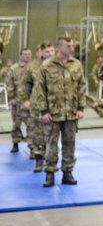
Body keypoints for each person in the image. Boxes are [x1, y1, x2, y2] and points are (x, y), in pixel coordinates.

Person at [31, 36, 86, 187]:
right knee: (51, 145)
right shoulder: (47, 66)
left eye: (72, 45)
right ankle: (50, 174)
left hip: (71, 113)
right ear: (60, 47)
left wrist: (81, 108)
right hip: (52, 114)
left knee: (70, 144)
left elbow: (81, 87)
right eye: (68, 46)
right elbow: (39, 90)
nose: (72, 48)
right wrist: (43, 111)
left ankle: (67, 173)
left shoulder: (76, 65)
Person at [28, 40, 55, 172]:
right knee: (38, 135)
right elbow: (26, 84)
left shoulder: (58, 65)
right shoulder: (34, 67)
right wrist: (25, 100)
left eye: (51, 51)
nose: (49, 54)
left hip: (54, 106)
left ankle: (51, 164)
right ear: (41, 53)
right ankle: (39, 161)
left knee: (52, 136)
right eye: (46, 51)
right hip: (37, 107)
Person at [6, 46, 34, 155]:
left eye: (29, 54)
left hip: (30, 102)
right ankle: (15, 143)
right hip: (17, 102)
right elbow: (9, 83)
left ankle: (32, 147)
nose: (28, 56)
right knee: (16, 125)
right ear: (21, 55)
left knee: (31, 125)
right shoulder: (14, 68)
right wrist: (11, 98)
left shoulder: (35, 67)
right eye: (25, 54)